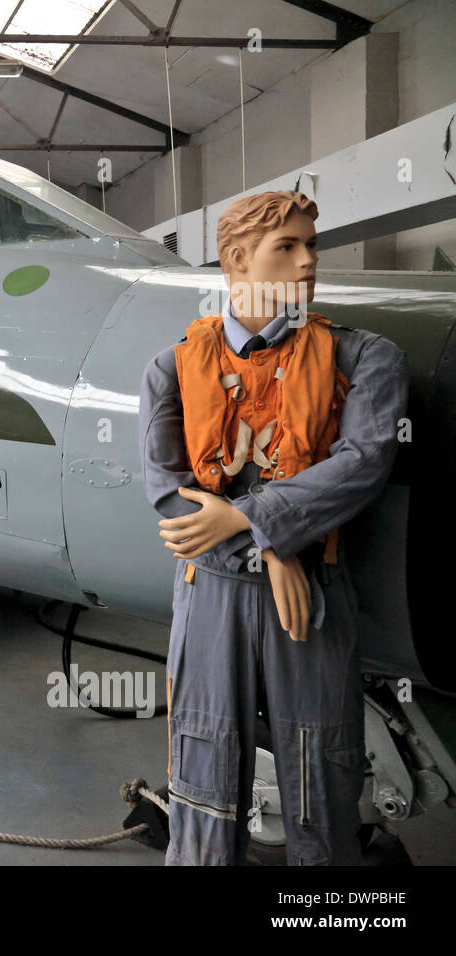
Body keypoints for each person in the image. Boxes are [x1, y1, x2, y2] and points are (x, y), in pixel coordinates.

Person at [137, 190, 409, 865]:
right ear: (236, 259)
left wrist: (251, 517)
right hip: (215, 596)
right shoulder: (170, 369)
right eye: (286, 246)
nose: (309, 260)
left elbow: (362, 463)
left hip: (312, 600)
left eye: (312, 244)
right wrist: (273, 546)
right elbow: (171, 499)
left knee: (324, 773)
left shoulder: (365, 360)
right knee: (203, 771)